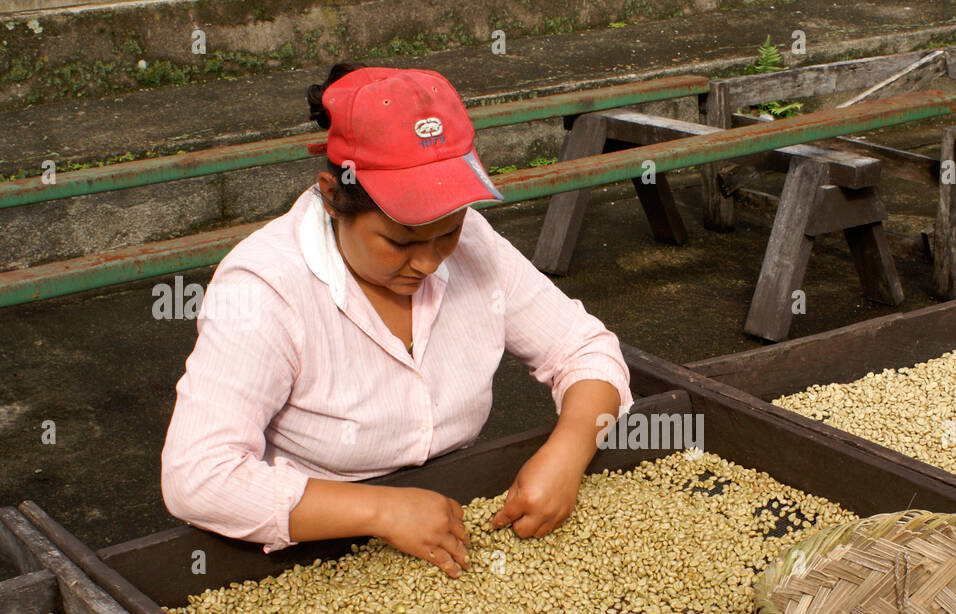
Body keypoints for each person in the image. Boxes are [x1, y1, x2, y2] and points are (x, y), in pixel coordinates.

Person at [161, 63, 632, 579]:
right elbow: (198, 476)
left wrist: (568, 452)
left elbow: (583, 349)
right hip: (311, 553)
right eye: (401, 242)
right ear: (332, 196)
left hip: (457, 515)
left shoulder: (473, 244)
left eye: (447, 232)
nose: (430, 263)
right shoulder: (266, 289)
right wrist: (381, 511)